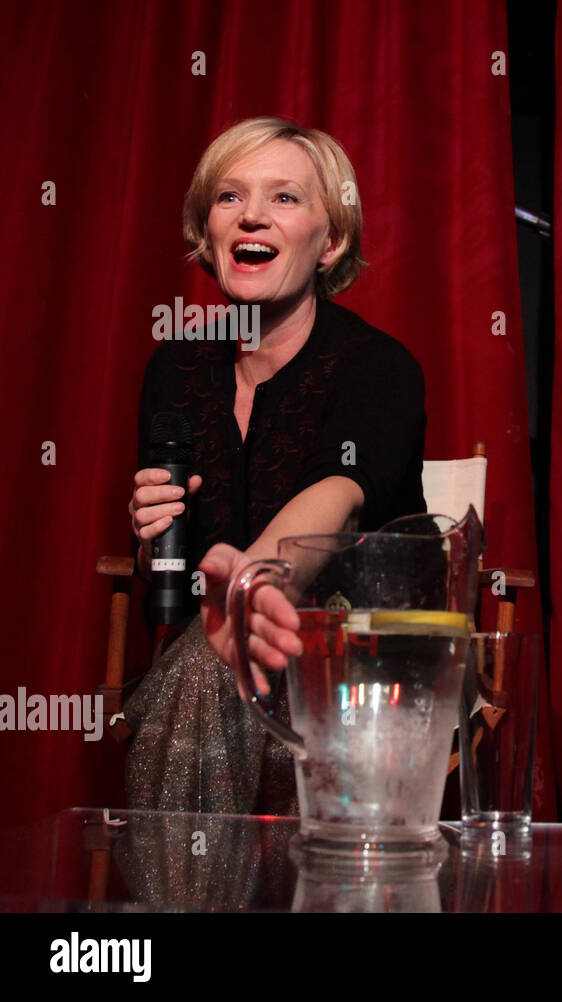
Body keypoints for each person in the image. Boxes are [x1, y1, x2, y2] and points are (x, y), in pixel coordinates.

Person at [123, 117, 427, 814]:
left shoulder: (376, 365)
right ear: (209, 230)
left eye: (285, 198)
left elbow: (341, 491)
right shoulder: (176, 367)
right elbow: (165, 572)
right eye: (229, 197)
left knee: (207, 667)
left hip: (361, 664)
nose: (252, 214)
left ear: (334, 241)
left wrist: (248, 586)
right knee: (206, 665)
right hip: (215, 658)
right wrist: (150, 540)